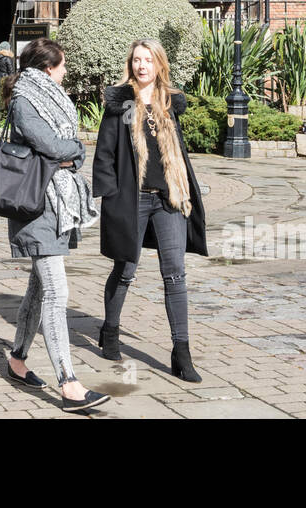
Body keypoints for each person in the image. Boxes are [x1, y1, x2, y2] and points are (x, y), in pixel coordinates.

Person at [2, 38, 111, 413]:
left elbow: (57, 146)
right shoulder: (24, 99)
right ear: (48, 67)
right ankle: (68, 382)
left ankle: (17, 358)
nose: (65, 72)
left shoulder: (47, 96)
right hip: (36, 205)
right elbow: (51, 144)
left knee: (38, 288)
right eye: (62, 66)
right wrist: (77, 149)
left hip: (55, 202)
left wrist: (70, 150)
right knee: (56, 293)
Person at [93, 38, 208, 382]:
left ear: (159, 65)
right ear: (130, 65)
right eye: (137, 60)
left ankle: (181, 351)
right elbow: (104, 155)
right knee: (125, 270)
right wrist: (111, 197)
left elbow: (177, 151)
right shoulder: (121, 104)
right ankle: (110, 330)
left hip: (169, 197)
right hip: (133, 199)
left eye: (148, 60)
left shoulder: (170, 103)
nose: (142, 66)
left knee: (175, 273)